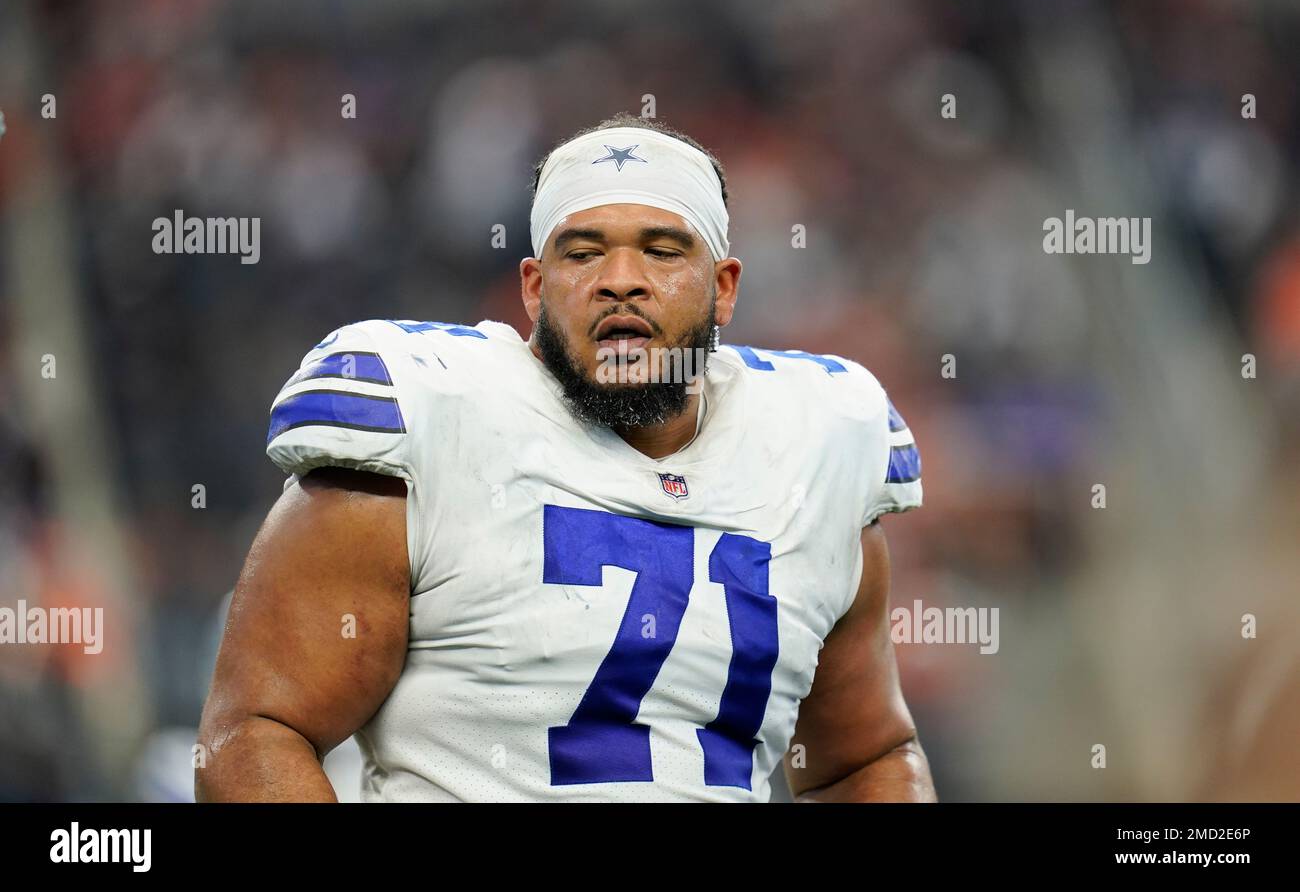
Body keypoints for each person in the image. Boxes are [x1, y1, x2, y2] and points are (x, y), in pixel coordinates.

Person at [196, 113, 935, 802]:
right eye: (583, 253)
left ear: (724, 287)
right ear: (535, 288)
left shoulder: (819, 442)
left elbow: (863, 759)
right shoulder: (429, 420)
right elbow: (254, 732)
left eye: (662, 250)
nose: (621, 278)